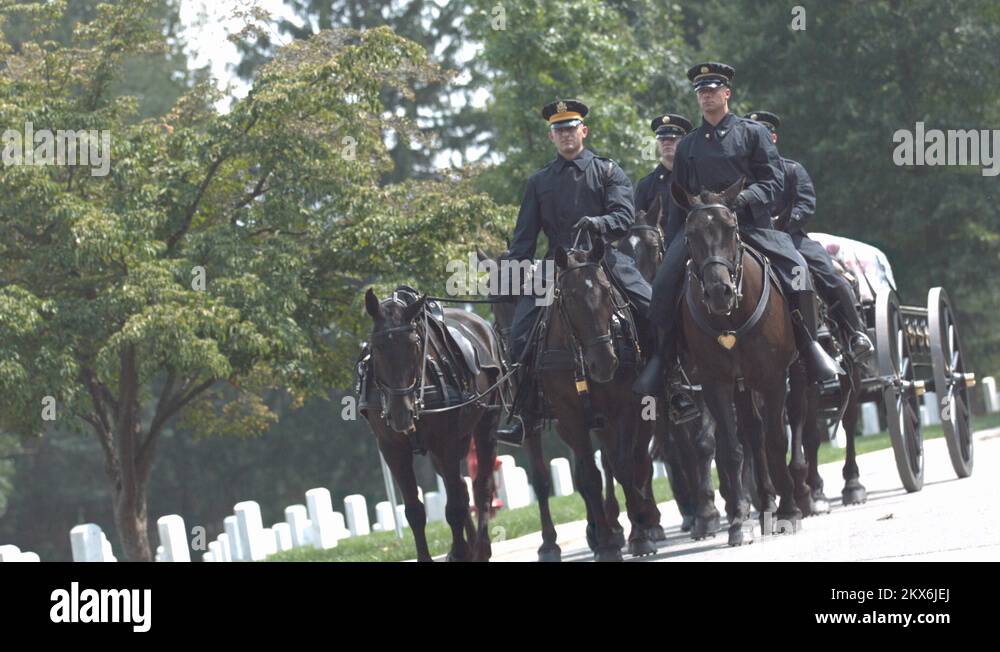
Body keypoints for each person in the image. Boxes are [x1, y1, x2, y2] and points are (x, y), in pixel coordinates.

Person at [634, 62, 843, 413]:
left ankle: (810, 348)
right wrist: (673, 245)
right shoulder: (687, 147)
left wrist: (744, 200)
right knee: (663, 286)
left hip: (751, 226)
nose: (706, 96)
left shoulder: (752, 134)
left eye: (713, 89)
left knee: (797, 271)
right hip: (702, 235)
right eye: (701, 91)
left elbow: (774, 181)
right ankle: (665, 365)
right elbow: (679, 198)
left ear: (726, 93)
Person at [495, 99, 653, 444]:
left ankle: (671, 386)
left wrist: (598, 223)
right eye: (559, 130)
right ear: (551, 137)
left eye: (571, 128)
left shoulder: (608, 171)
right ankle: (525, 411)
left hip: (602, 258)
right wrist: (506, 280)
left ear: (584, 130)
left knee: (652, 309)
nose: (566, 135)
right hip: (556, 266)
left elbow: (624, 218)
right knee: (519, 334)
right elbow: (523, 239)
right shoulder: (538, 182)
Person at [744, 110, 873, 360]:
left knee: (829, 274)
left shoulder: (792, 170)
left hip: (791, 237)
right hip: (753, 238)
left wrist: (782, 225)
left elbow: (805, 205)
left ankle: (855, 333)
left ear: (773, 137)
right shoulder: (740, 176)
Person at [634, 113, 693, 230]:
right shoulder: (646, 185)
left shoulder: (695, 177)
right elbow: (638, 226)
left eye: (672, 139)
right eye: (662, 139)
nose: (666, 143)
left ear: (684, 141)